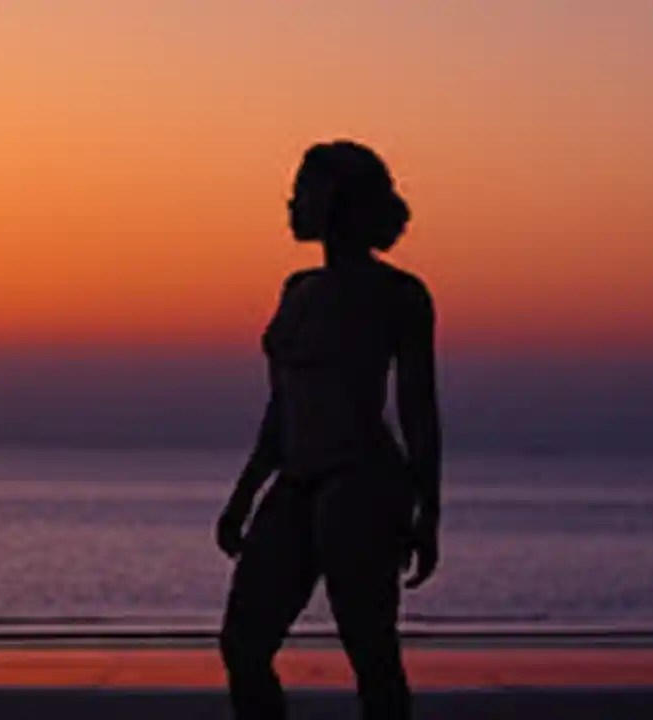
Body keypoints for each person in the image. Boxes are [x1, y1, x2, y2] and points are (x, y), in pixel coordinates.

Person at [215, 141, 442, 720]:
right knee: (243, 644)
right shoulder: (297, 290)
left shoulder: (400, 295)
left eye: (303, 190)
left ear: (338, 201)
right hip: (294, 481)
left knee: (371, 652)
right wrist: (244, 495)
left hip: (361, 482)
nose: (291, 203)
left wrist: (428, 513)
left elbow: (418, 409)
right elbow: (282, 407)